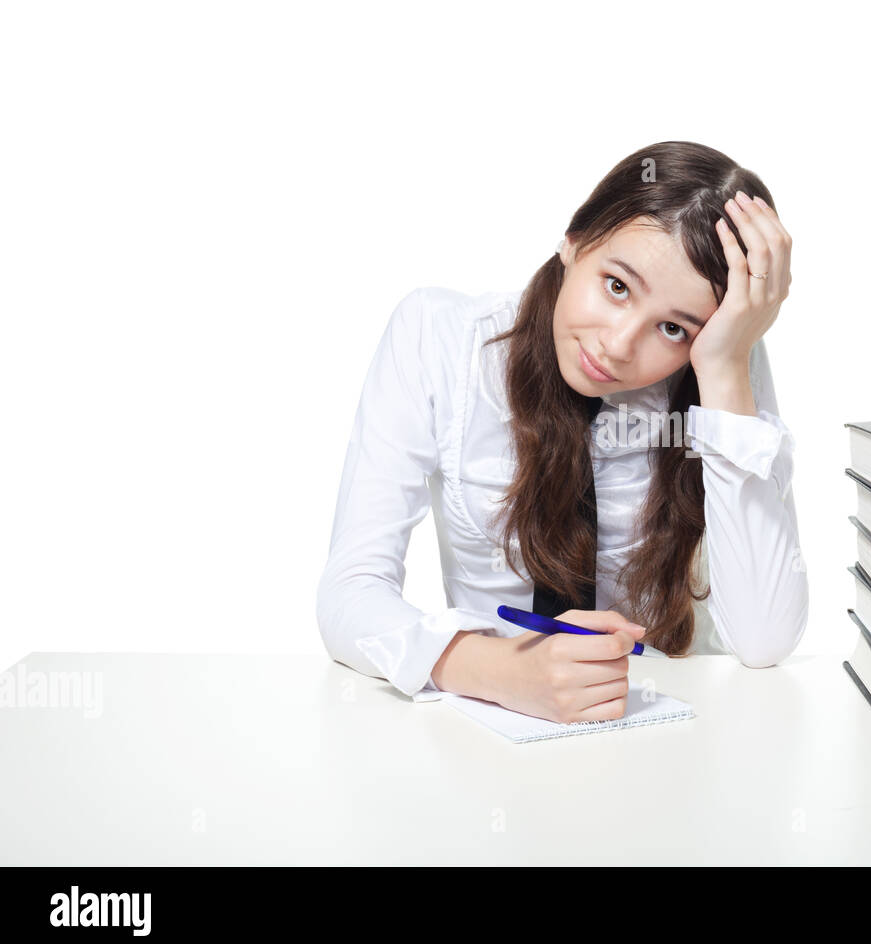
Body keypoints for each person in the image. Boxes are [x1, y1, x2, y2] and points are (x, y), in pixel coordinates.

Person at [316, 140, 808, 724]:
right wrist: (497, 671)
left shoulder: (722, 365)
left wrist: (727, 368)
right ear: (573, 240)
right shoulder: (438, 338)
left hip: (672, 732)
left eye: (673, 328)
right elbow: (349, 594)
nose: (619, 345)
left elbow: (764, 640)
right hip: (488, 733)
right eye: (617, 286)